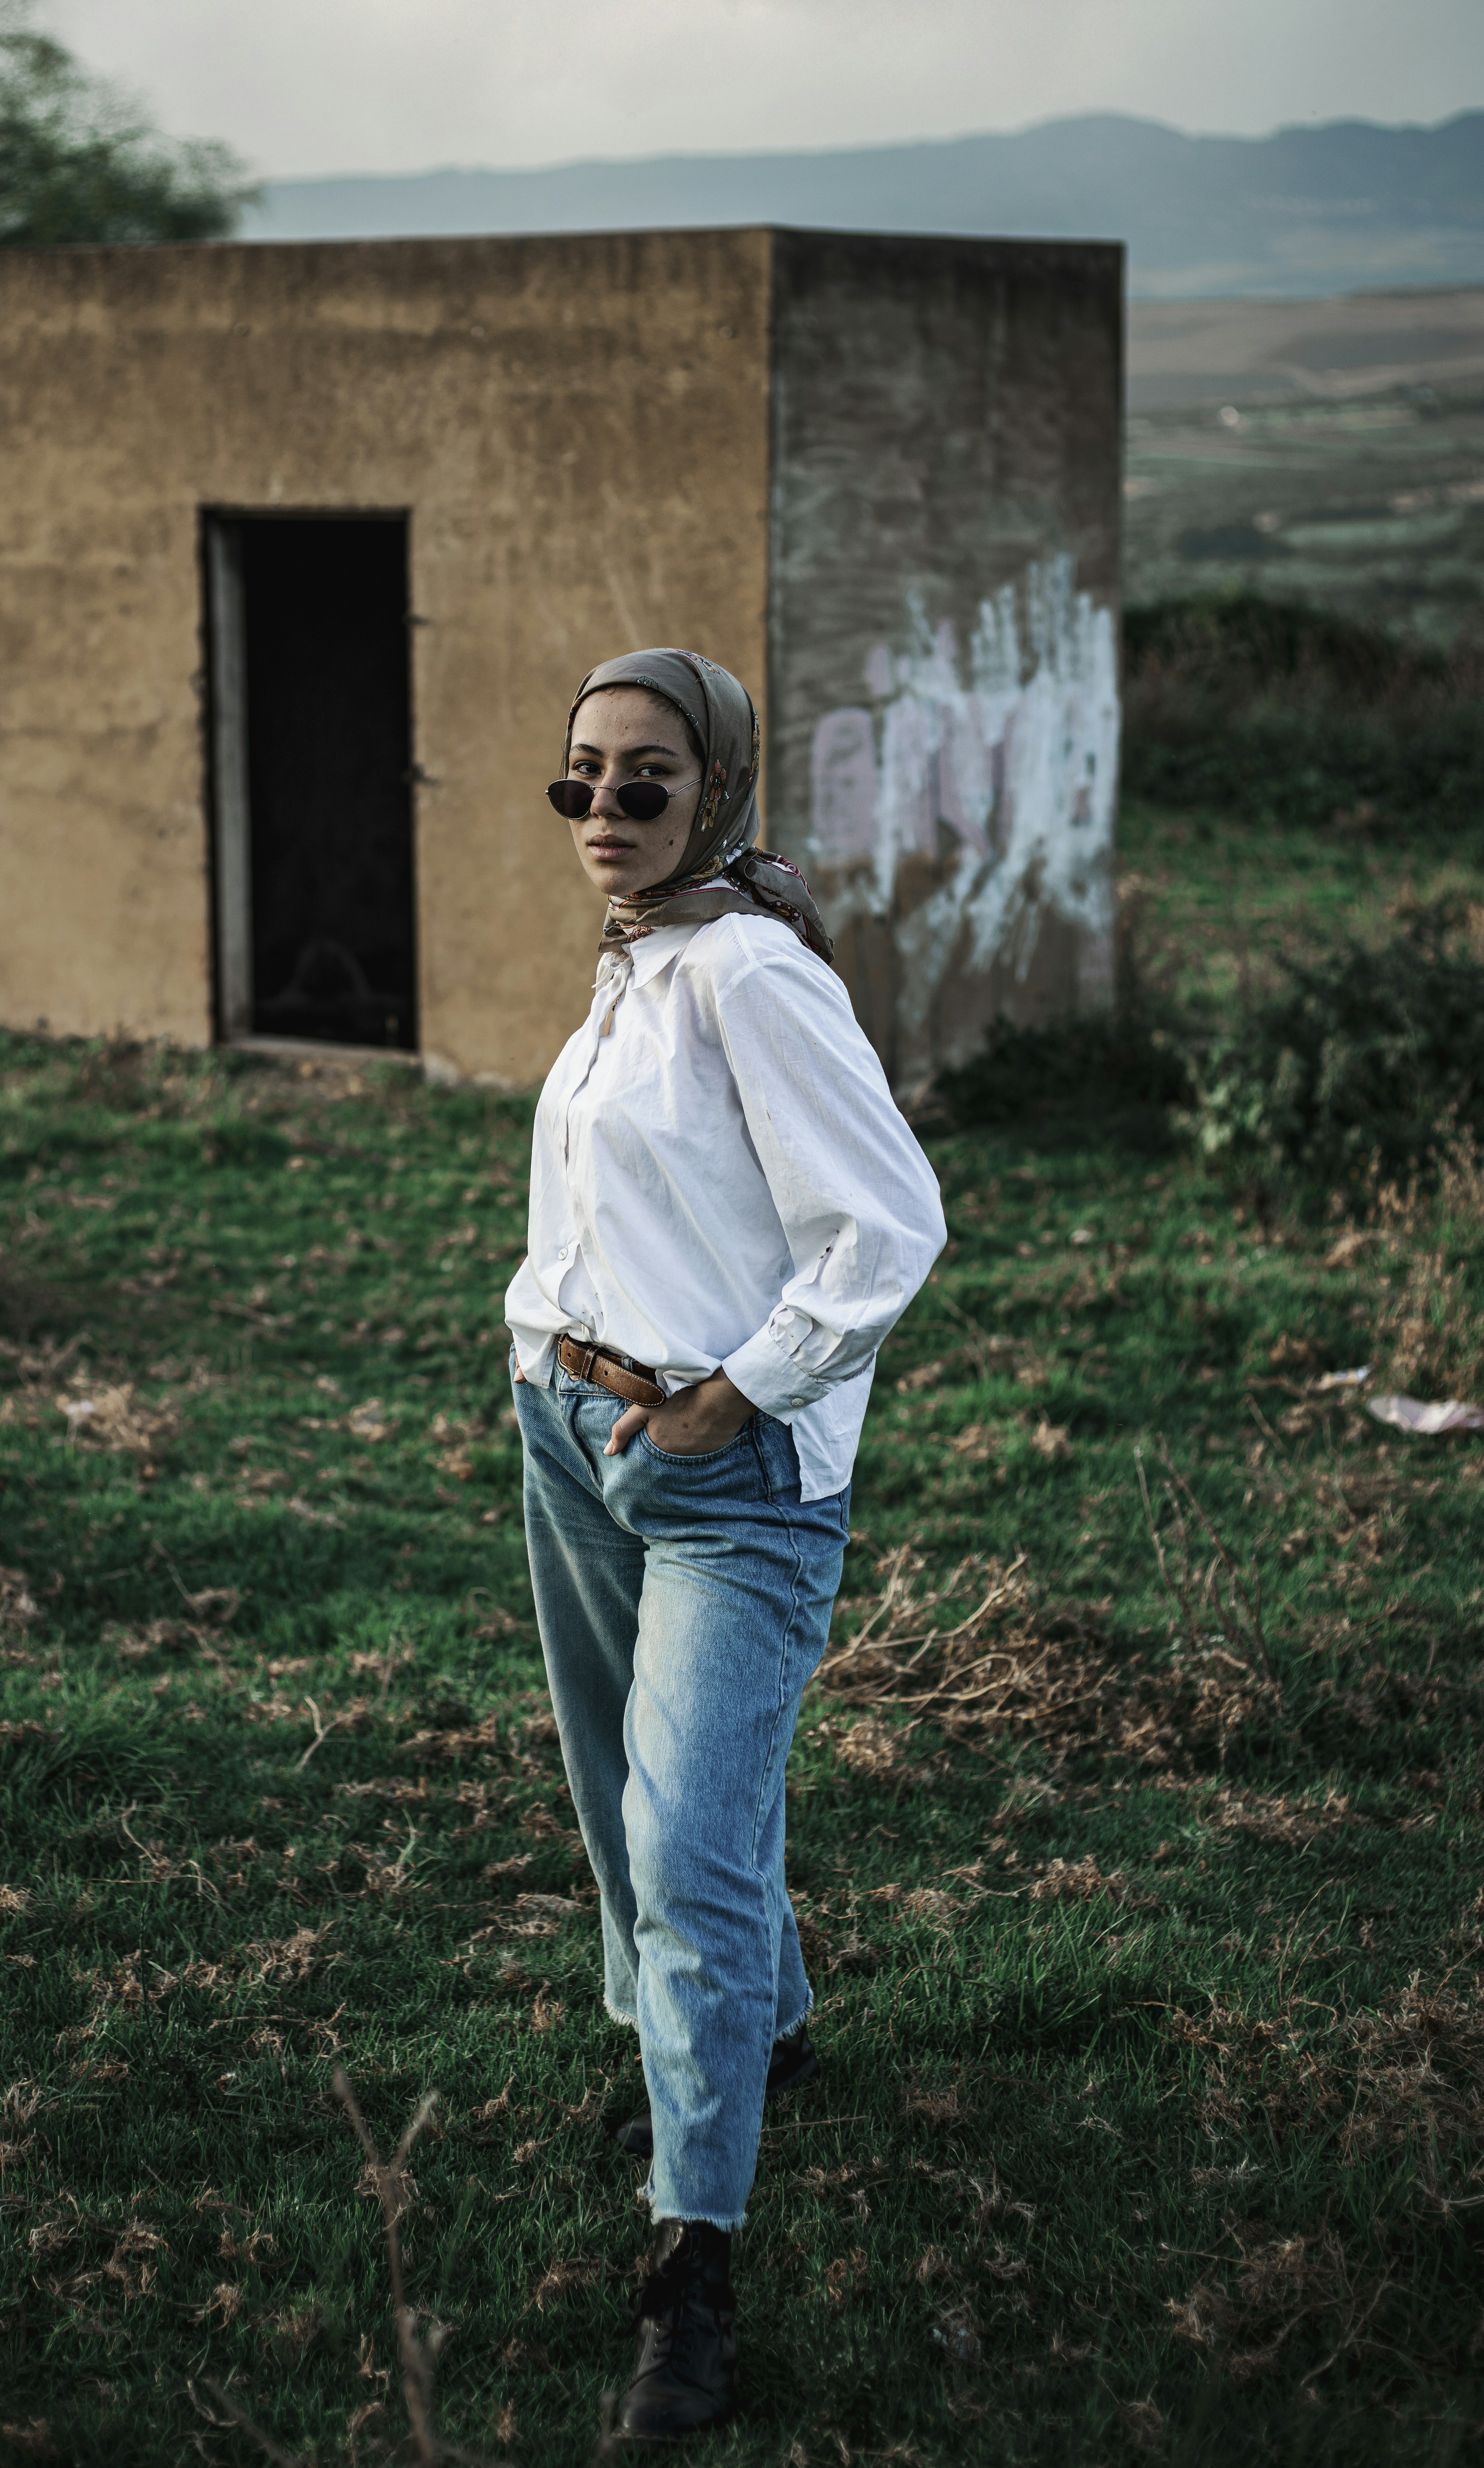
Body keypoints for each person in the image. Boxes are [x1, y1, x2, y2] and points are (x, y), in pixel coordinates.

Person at [505, 649, 947, 2440]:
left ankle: (693, 2269)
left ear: (719, 791)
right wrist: (543, 1344)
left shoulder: (750, 972)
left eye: (647, 782)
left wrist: (733, 1396)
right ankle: (758, 2035)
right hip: (571, 1428)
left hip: (726, 1471)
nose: (607, 814)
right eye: (582, 780)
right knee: (628, 1799)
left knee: (686, 1841)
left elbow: (890, 1225)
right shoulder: (639, 963)